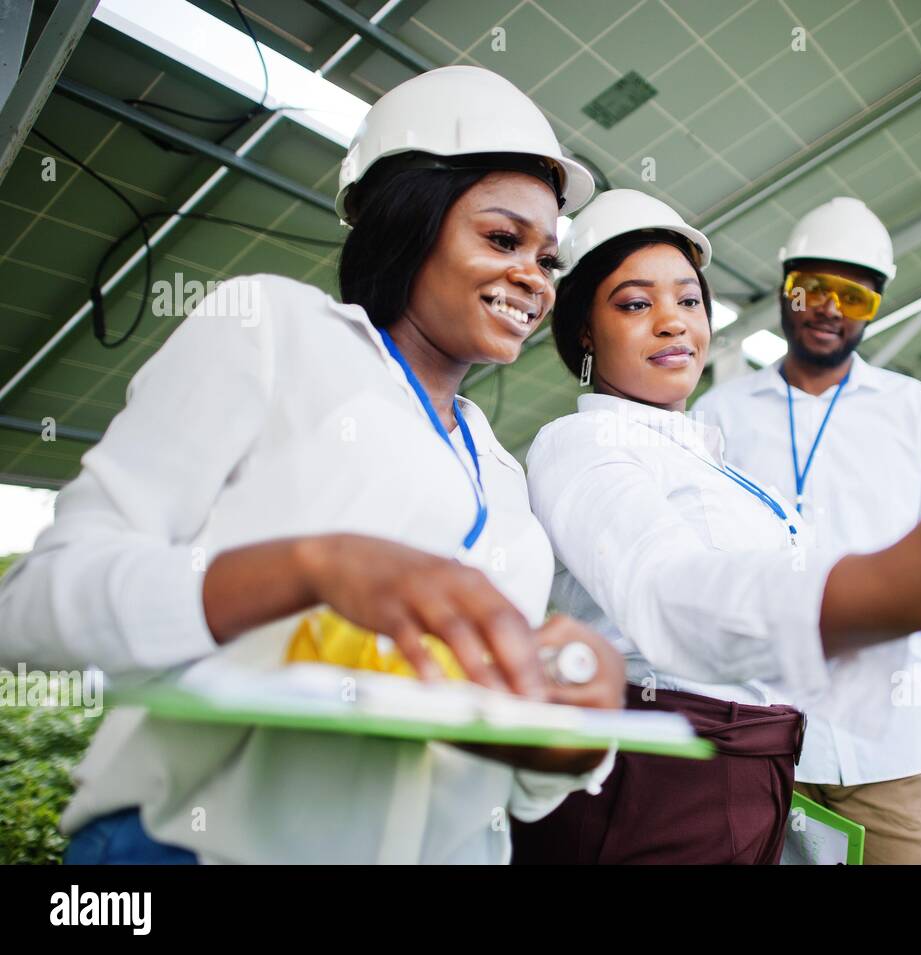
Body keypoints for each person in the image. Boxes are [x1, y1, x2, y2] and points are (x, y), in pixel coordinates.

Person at [0, 65, 626, 865]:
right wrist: (312, 566)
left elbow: (501, 777)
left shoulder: (504, 474)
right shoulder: (272, 329)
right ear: (407, 220)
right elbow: (33, 615)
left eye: (548, 258)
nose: (533, 279)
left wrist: (568, 742)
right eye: (503, 239)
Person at [511, 189, 921, 864]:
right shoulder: (634, 432)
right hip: (694, 771)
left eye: (688, 300)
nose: (674, 323)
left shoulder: (898, 415)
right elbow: (673, 592)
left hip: (860, 745)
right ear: (784, 288)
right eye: (634, 302)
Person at [693, 197, 921, 864]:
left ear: (877, 303)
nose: (829, 308)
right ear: (786, 286)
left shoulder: (919, 415)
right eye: (811, 288)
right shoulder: (719, 413)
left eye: (854, 296)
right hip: (761, 746)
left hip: (895, 751)